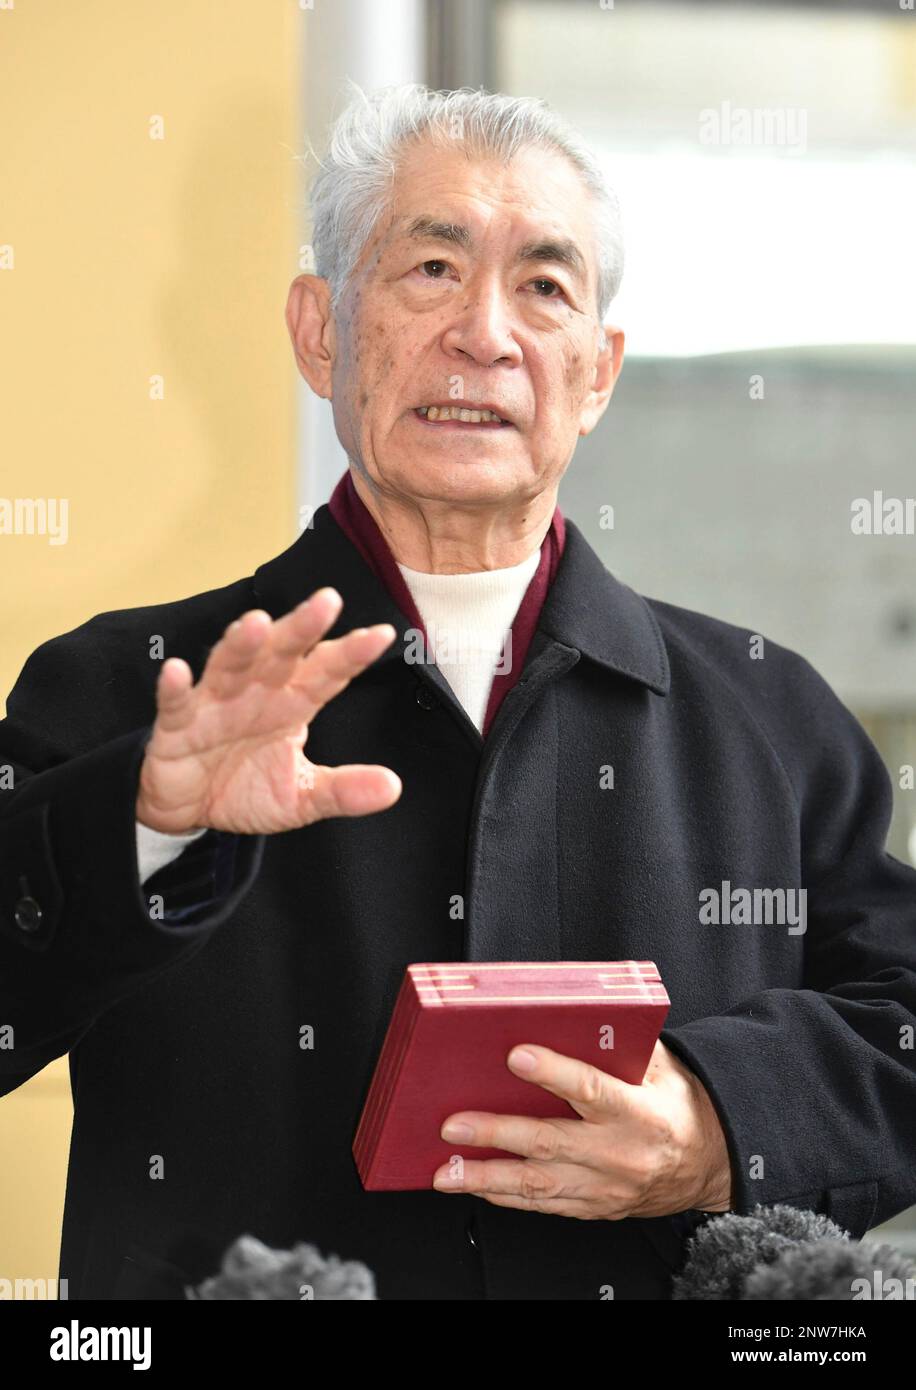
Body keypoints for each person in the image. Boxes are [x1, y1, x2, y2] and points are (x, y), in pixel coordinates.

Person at [2, 83, 914, 1301]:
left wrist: (716, 1120)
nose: (485, 333)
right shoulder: (125, 687)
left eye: (544, 286)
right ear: (320, 330)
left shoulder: (770, 718)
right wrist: (146, 823)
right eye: (431, 267)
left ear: (597, 371)